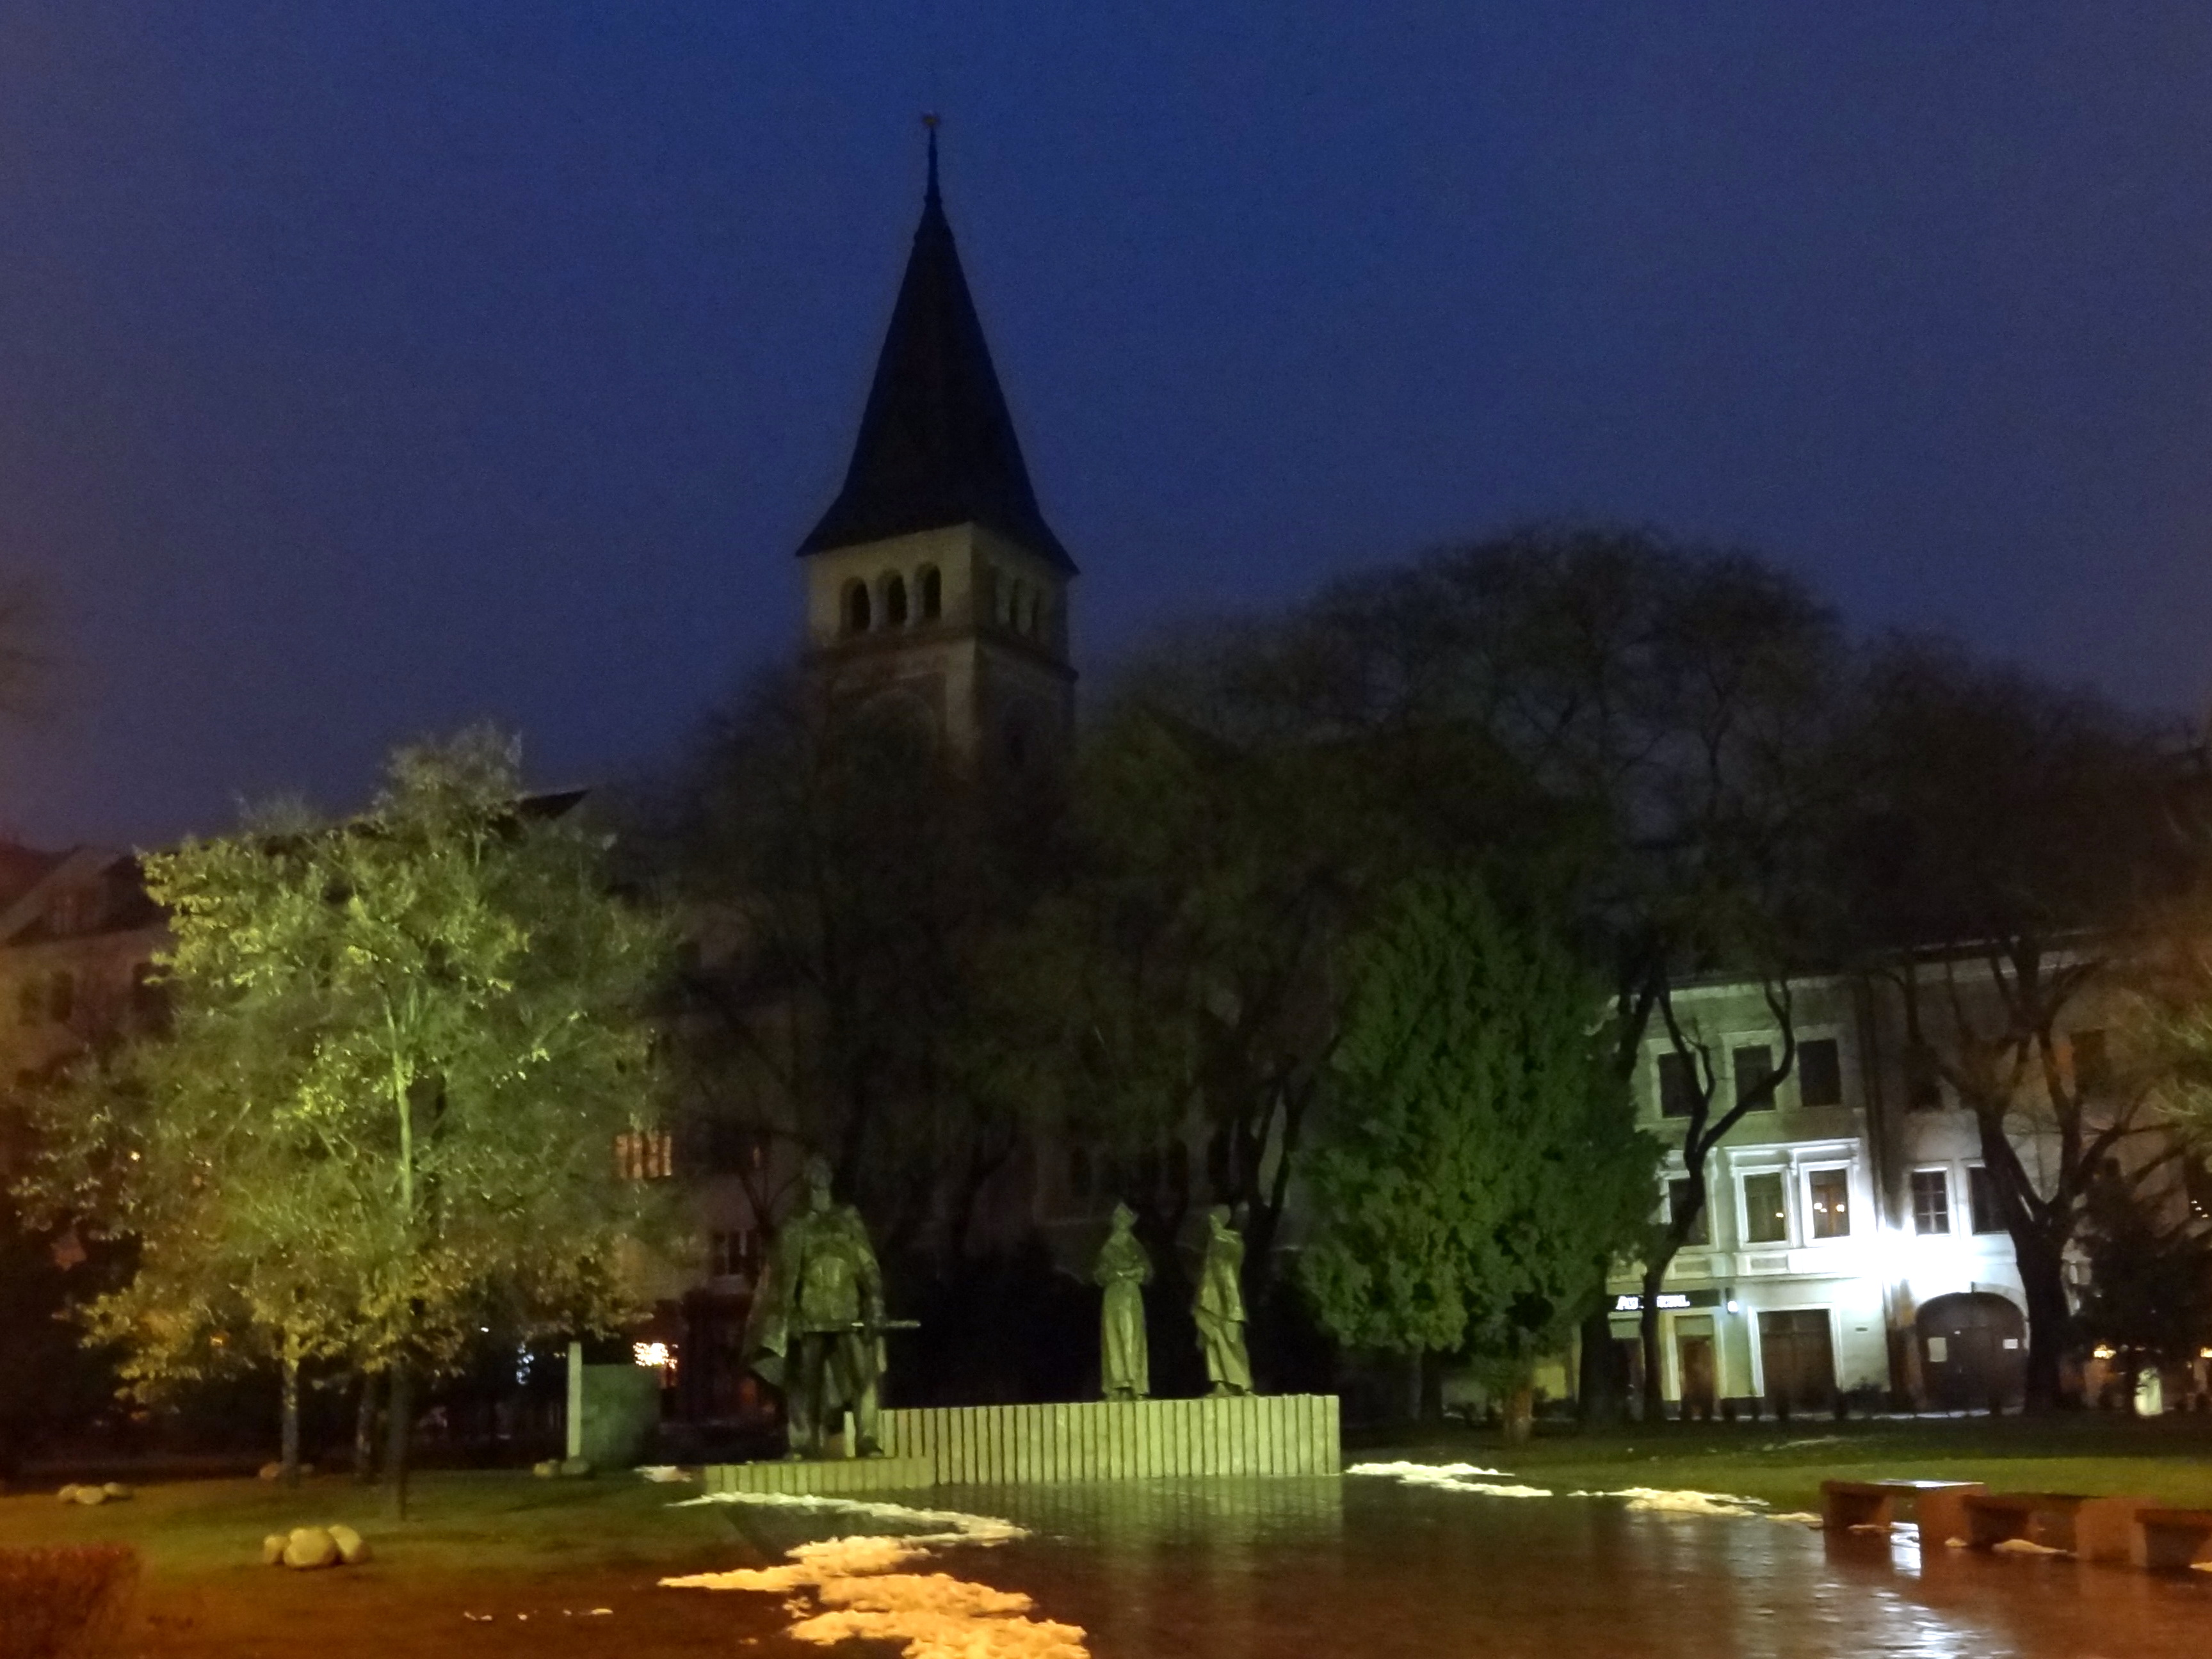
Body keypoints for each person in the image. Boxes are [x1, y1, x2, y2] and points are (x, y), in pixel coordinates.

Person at [743, 1156, 887, 1458]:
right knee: (803, 1383)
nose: (818, 1174)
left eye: (823, 1169)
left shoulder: (847, 1218)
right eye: (812, 1170)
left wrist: (874, 1301)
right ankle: (803, 1443)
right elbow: (784, 1276)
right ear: (805, 1178)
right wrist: (788, 1314)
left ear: (831, 1176)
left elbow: (867, 1264)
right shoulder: (796, 1225)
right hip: (810, 1316)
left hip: (848, 1314)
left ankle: (868, 1439)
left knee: (864, 1376)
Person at [1093, 1203, 1152, 1401]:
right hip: (1113, 1295)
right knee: (1113, 1336)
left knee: (1132, 1335)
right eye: (1117, 1219)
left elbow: (1147, 1270)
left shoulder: (1136, 1247)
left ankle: (1134, 1383)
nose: (1120, 1223)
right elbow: (1099, 1274)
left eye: (1124, 1219)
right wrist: (1112, 1274)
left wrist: (1134, 1272)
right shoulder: (1107, 1248)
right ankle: (1116, 1384)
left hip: (1130, 1294)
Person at [1193, 1205, 1254, 1397]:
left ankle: (1241, 1383)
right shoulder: (1211, 1242)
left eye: (1215, 1219)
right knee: (1213, 1340)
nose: (1212, 1223)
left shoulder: (1233, 1240)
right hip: (1211, 1299)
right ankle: (1220, 1382)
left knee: (1233, 1339)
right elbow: (1207, 1271)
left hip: (1229, 1298)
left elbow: (1231, 1266)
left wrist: (1221, 1239)